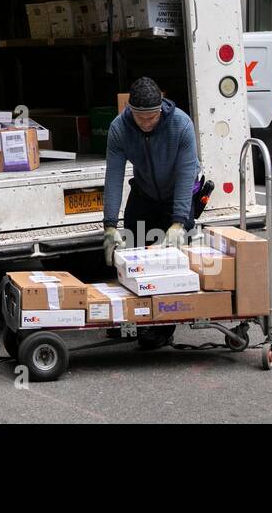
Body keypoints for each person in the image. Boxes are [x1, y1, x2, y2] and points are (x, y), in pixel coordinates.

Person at [102, 76, 200, 349]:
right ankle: (132, 318)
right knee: (131, 254)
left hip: (176, 196)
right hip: (144, 192)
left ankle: (161, 328)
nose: (146, 123)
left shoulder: (181, 125)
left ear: (161, 109)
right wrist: (109, 224)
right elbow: (113, 176)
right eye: (140, 117)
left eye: (152, 117)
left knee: (169, 261)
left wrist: (179, 222)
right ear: (130, 110)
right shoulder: (120, 128)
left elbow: (185, 174)